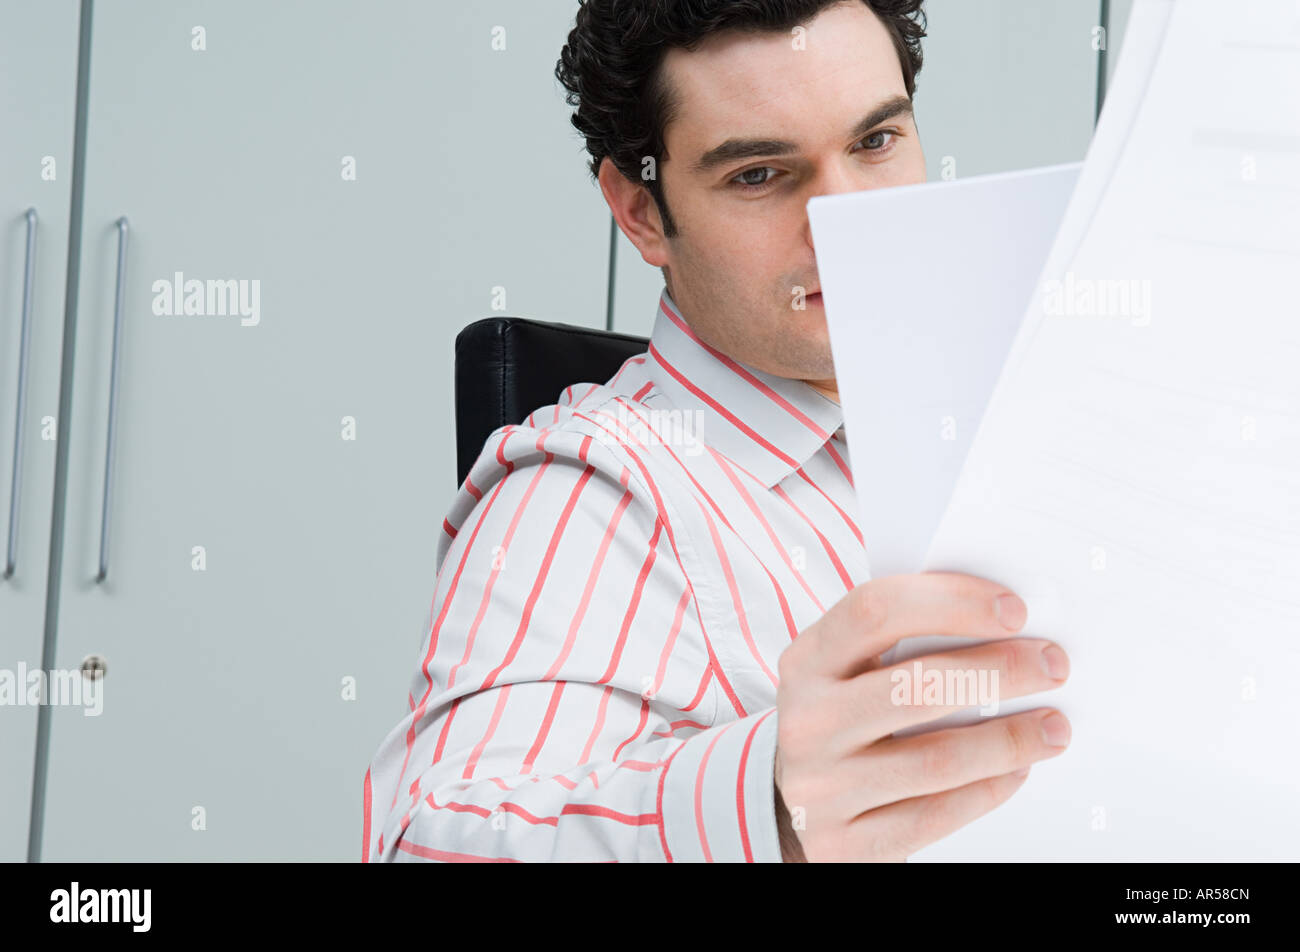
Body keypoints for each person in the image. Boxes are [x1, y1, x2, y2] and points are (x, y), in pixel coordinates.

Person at [363, 0, 1071, 863]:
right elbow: (429, 849)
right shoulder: (583, 496)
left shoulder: (1023, 417)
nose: (845, 221)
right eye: (760, 176)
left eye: (875, 143)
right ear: (642, 212)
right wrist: (762, 805)